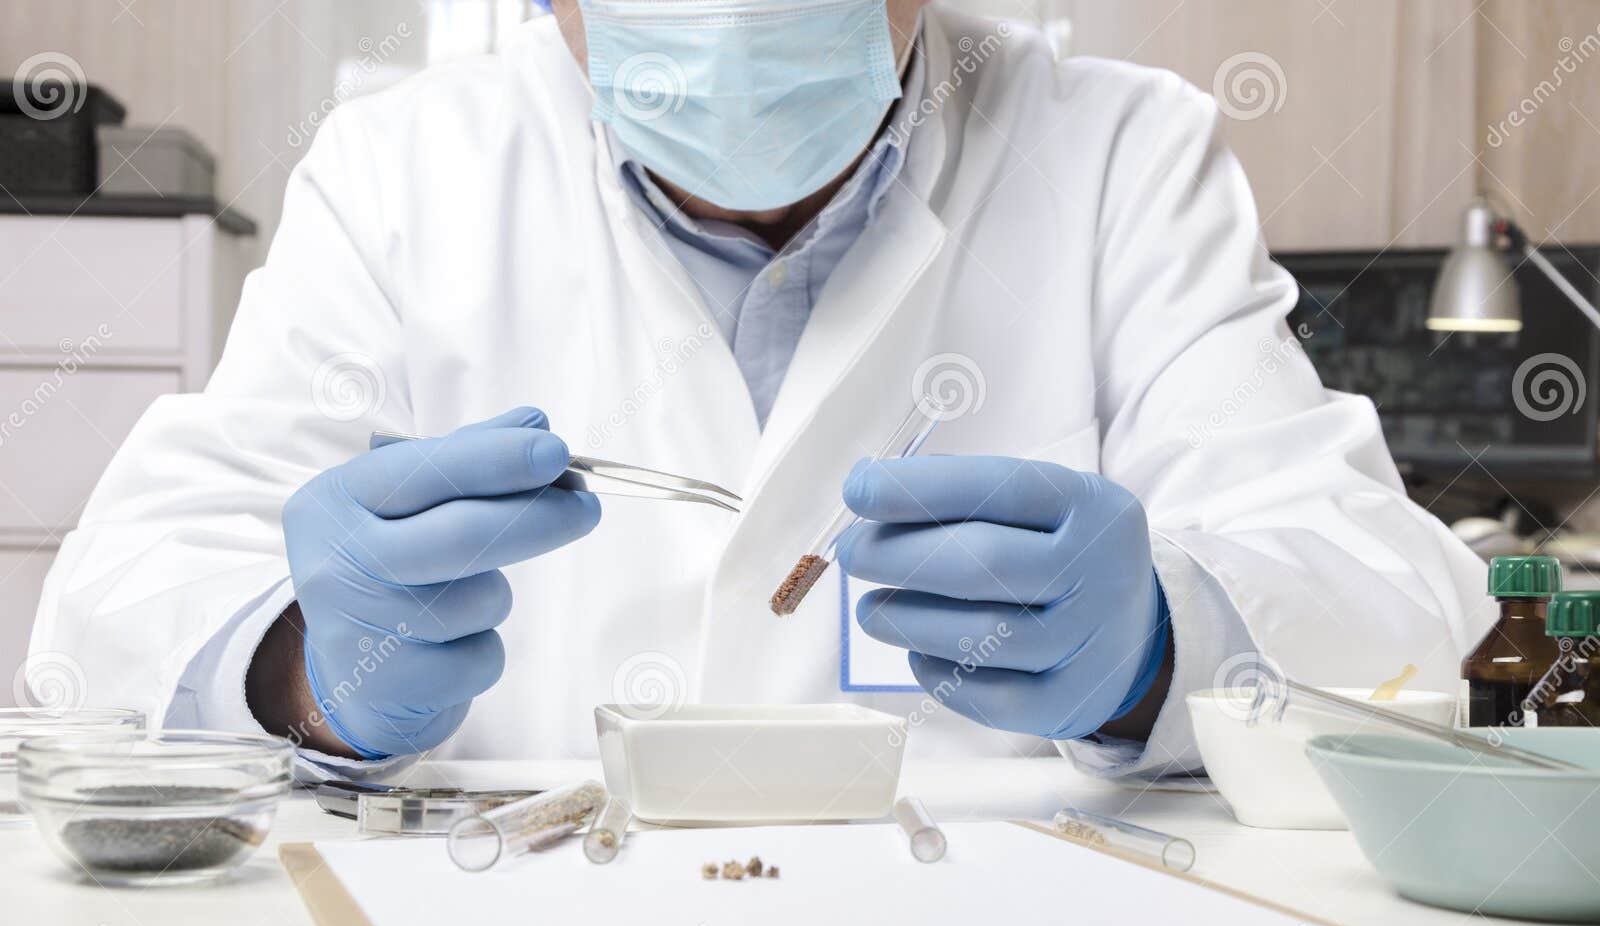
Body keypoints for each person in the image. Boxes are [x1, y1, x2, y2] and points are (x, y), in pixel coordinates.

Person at [30, 0, 1484, 783]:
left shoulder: (1119, 159)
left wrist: (1165, 644)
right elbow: (111, 614)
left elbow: (1403, 617)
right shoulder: (400, 174)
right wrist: (303, 666)